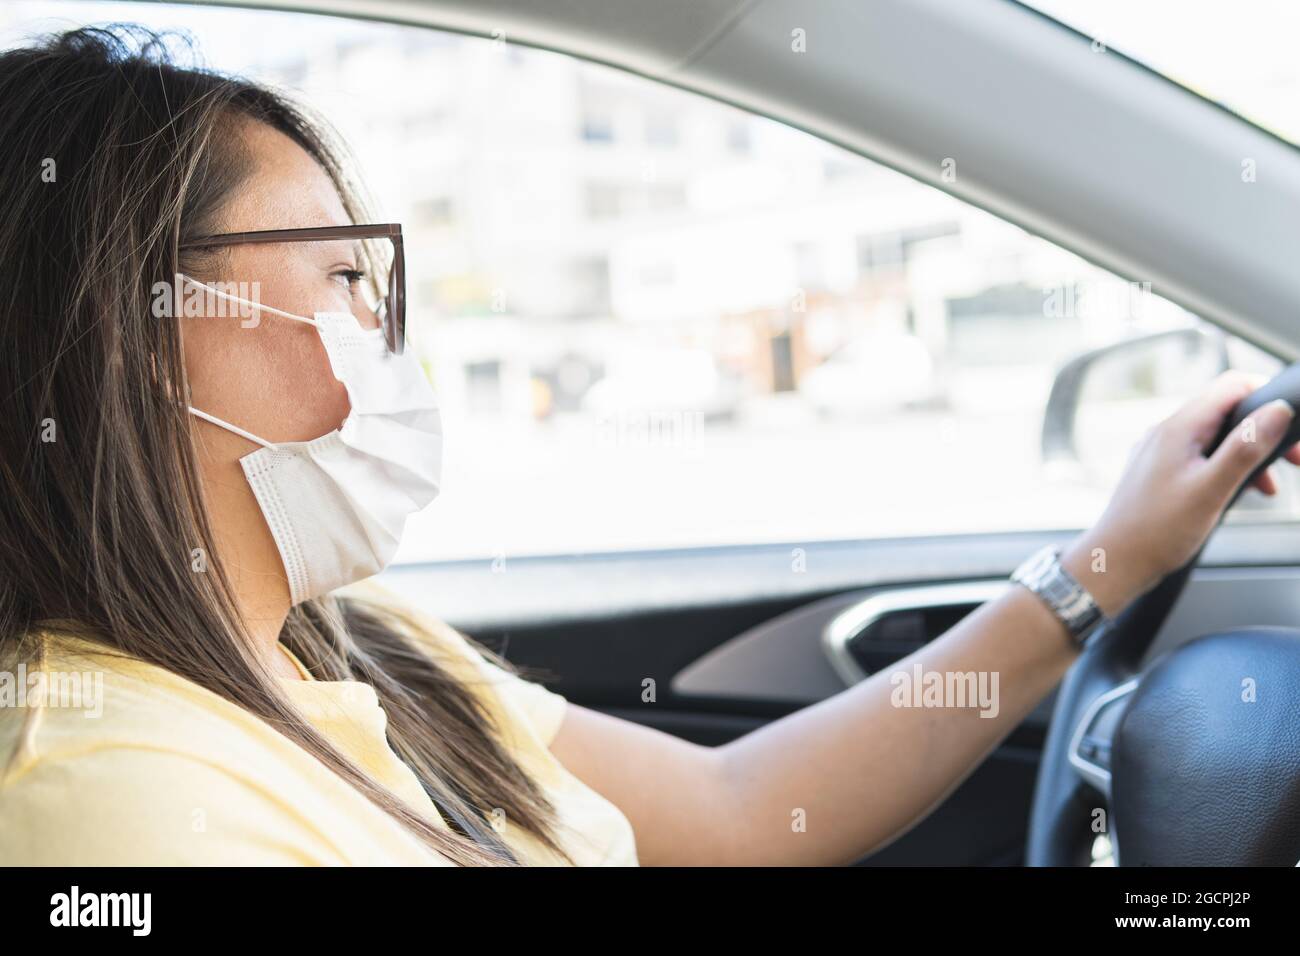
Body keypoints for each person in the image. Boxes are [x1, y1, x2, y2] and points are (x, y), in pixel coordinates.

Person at [1, 25, 1295, 866]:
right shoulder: (108, 803)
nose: (382, 335)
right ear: (129, 329)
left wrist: (1109, 562)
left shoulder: (341, 642)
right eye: (342, 275)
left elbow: (739, 818)